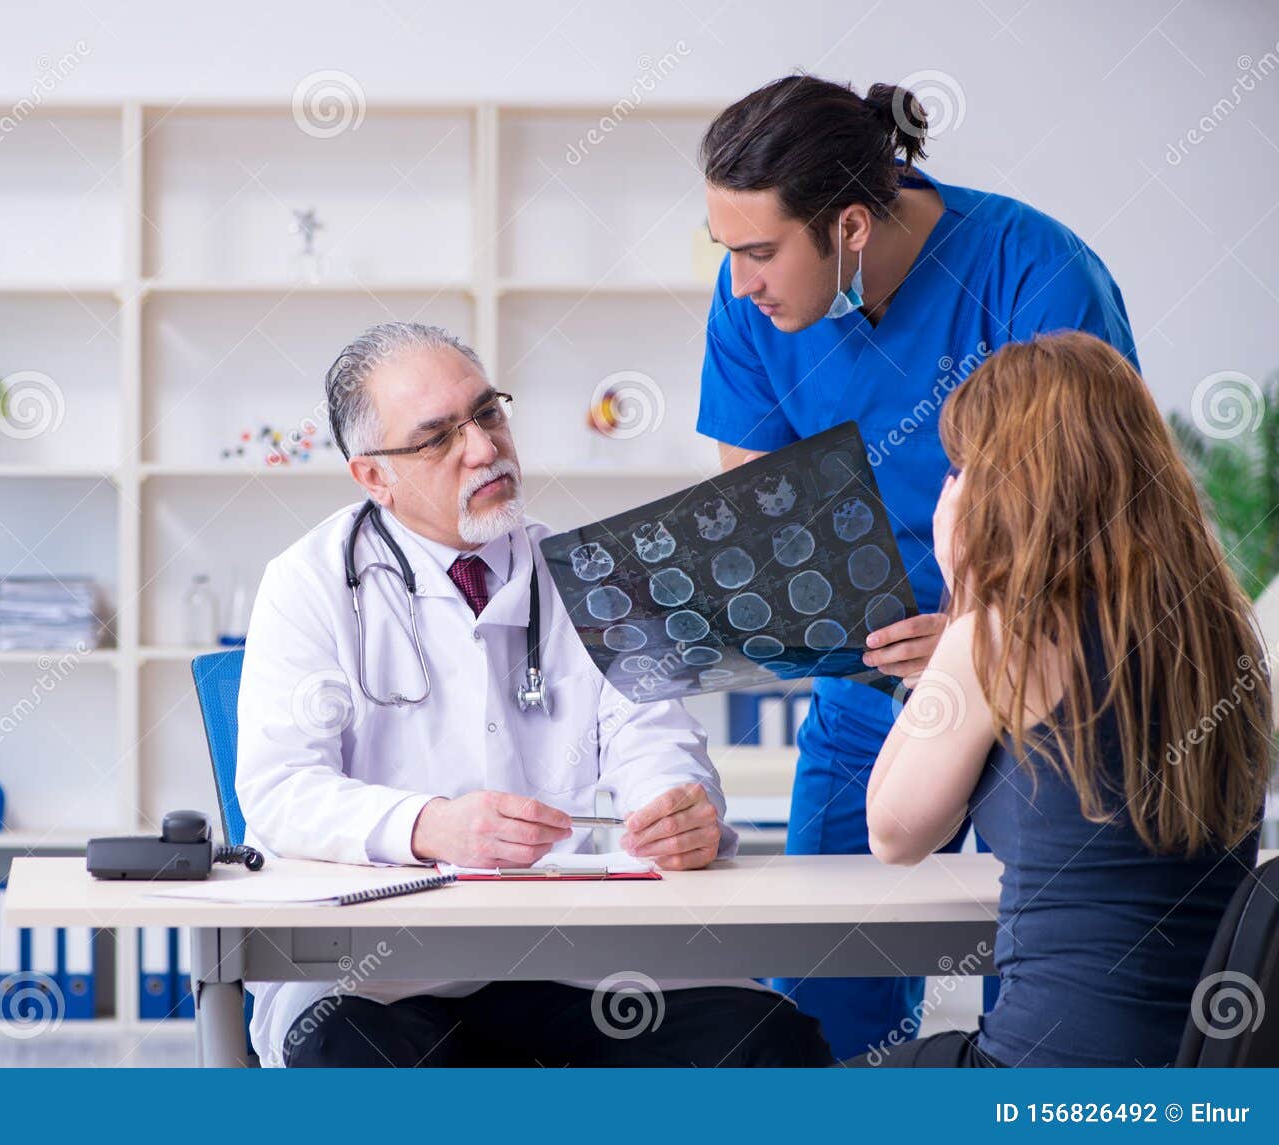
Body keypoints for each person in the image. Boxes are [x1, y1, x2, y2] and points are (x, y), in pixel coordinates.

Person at [235, 321, 833, 1068]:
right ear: (373, 477)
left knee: (767, 1045)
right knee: (361, 1066)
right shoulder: (311, 583)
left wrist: (674, 808)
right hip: (384, 977)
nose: (484, 449)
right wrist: (429, 826)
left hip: (585, 962)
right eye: (437, 438)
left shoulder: (595, 572)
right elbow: (281, 789)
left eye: (488, 413)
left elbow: (653, 740)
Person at [696, 73, 1138, 1058]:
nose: (739, 283)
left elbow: (1107, 524)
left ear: (849, 227)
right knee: (822, 1001)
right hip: (868, 693)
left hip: (1046, 703)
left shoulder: (1035, 274)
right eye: (726, 252)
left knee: (1049, 1001)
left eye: (761, 251)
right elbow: (766, 520)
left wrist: (977, 640)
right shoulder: (752, 314)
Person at [859, 331, 1271, 1067]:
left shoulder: (1002, 630)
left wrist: (963, 594)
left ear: (1009, 483)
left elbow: (892, 835)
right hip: (1198, 1087)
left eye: (964, 468)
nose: (951, 491)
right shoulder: (1222, 634)